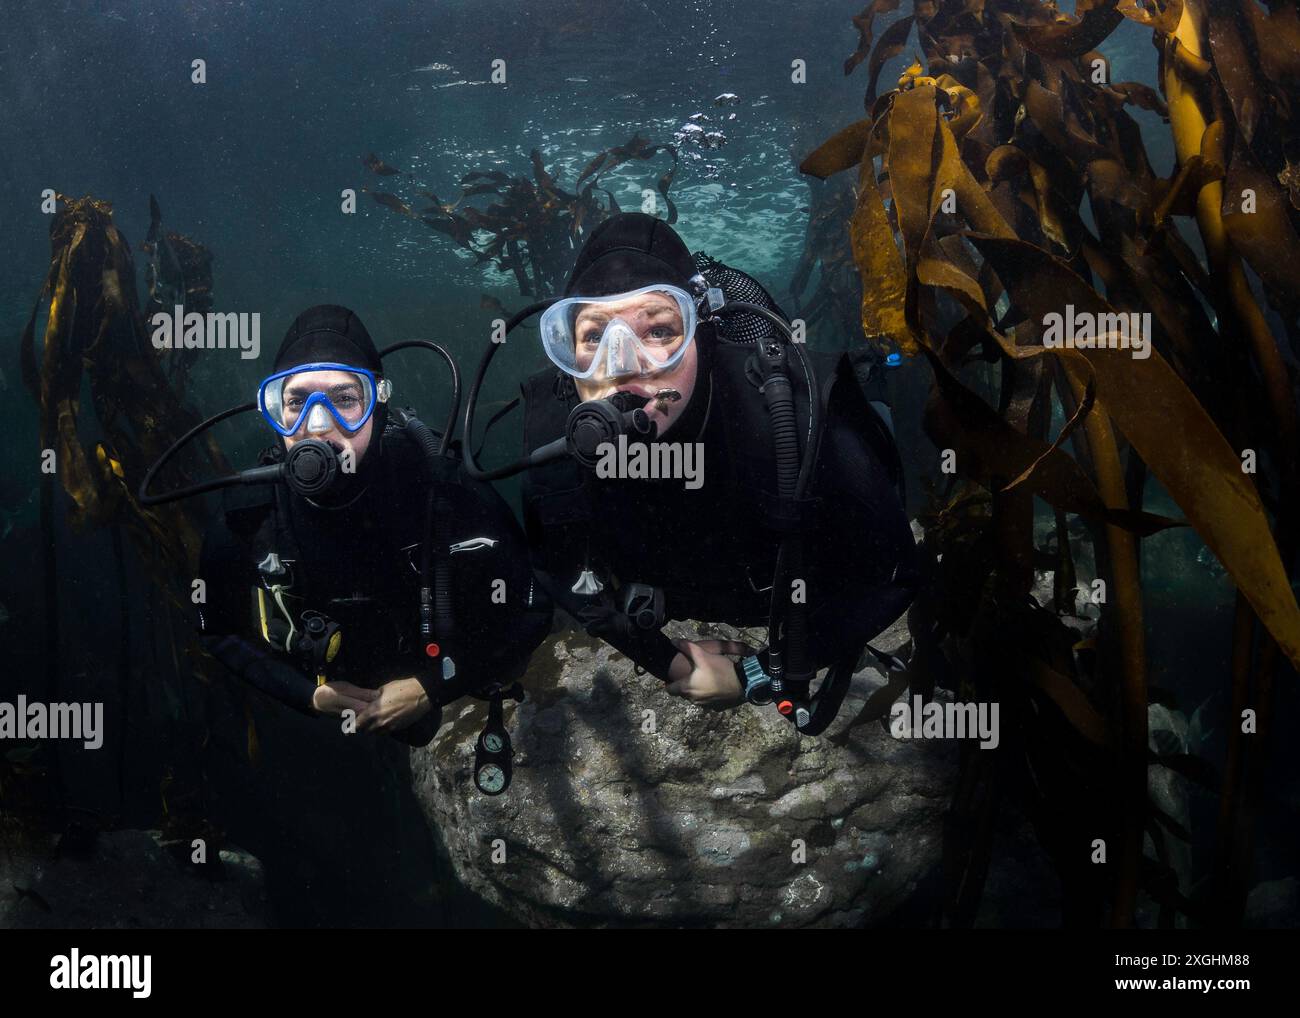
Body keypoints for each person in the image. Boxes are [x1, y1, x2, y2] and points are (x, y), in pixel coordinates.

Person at [509, 213, 918, 729]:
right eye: (593, 337)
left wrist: (757, 670)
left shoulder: (782, 413)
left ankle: (880, 382)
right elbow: (566, 573)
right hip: (686, 586)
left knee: (872, 418)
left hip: (787, 586)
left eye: (658, 330)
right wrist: (669, 662)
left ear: (700, 336)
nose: (620, 365)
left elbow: (895, 574)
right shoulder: (554, 428)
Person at [196, 305, 551, 748]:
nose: (319, 426)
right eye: (295, 402)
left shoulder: (439, 486)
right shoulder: (249, 511)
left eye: (345, 399)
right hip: (325, 704)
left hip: (434, 670)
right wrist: (309, 696)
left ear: (377, 407)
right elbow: (216, 629)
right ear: (274, 412)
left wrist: (433, 687)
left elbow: (532, 607)